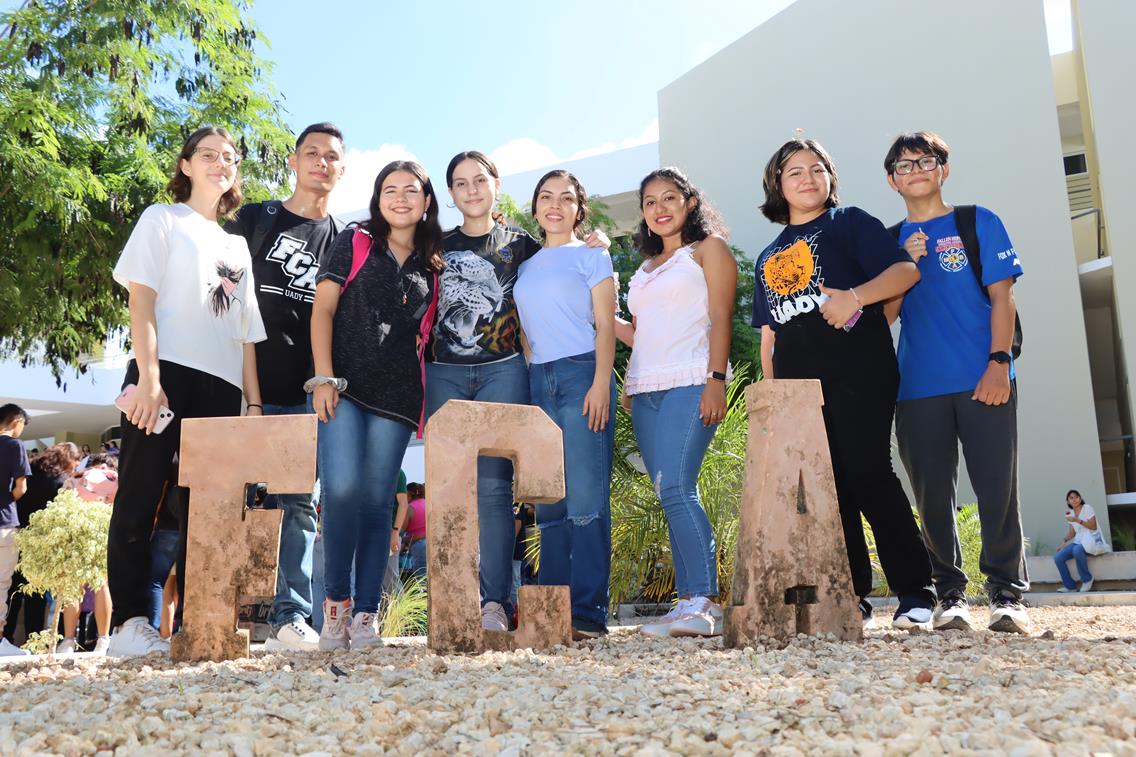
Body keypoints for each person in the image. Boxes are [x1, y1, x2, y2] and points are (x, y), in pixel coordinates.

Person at [752, 138, 936, 631]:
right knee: (827, 489)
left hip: (861, 371)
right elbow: (768, 334)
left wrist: (854, 296)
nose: (807, 178)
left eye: (817, 169)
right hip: (798, 389)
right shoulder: (767, 256)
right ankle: (851, 594)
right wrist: (774, 398)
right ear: (778, 185)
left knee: (867, 470)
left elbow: (905, 271)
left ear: (830, 178)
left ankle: (916, 590)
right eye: (795, 171)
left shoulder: (850, 223)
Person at [426, 151, 609, 632]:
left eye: (479, 180)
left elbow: (571, 267)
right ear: (450, 193)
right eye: (460, 183)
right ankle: (449, 602)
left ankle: (501, 603)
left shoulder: (523, 246)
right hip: (450, 373)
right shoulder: (435, 246)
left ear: (497, 185)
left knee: (500, 490)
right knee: (457, 492)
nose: (471, 190)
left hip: (508, 373)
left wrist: (599, 242)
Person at [107, 126, 266, 657]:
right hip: (164, 374)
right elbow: (141, 302)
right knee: (139, 498)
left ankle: (199, 626)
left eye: (229, 157)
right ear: (186, 165)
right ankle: (129, 625)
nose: (221, 163)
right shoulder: (161, 218)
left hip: (221, 391)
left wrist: (254, 406)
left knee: (206, 512)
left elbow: (246, 335)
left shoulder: (238, 245)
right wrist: (149, 378)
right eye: (209, 155)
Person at [882, 131, 1031, 634]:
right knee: (932, 499)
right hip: (917, 386)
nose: (916, 169)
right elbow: (882, 321)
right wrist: (907, 264)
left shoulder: (977, 221)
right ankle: (950, 596)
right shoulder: (889, 241)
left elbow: (1002, 298)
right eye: (904, 165)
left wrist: (998, 362)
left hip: (983, 377)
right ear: (892, 180)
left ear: (944, 169)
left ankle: (1008, 595)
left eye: (926, 160)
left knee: (997, 490)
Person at [310, 160, 442, 651]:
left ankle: (366, 615)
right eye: (391, 189)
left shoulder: (436, 263)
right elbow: (323, 309)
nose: (401, 198)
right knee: (340, 490)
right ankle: (336, 606)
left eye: (412, 190)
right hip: (342, 387)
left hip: (399, 396)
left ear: (427, 201)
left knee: (376, 502)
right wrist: (322, 377)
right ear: (378, 198)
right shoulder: (355, 241)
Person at [226, 122, 347, 652]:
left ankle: (291, 617)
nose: (321, 162)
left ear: (342, 170)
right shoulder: (257, 219)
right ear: (294, 162)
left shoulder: (347, 240)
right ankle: (214, 612)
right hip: (247, 383)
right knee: (230, 501)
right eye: (312, 153)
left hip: (309, 393)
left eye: (332, 157)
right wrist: (247, 397)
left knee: (299, 503)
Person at [612, 167, 737, 639]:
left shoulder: (709, 250)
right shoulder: (644, 270)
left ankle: (703, 603)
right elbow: (641, 334)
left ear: (689, 202)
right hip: (645, 392)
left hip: (692, 381)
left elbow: (721, 317)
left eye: (669, 198)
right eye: (649, 201)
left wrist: (716, 380)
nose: (659, 208)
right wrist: (603, 312)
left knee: (679, 487)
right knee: (668, 491)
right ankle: (686, 601)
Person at [514, 170, 616, 640]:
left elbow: (606, 324)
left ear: (580, 209)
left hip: (582, 376)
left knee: (587, 500)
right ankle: (552, 611)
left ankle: (589, 613)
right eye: (546, 197)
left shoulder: (593, 256)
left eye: (567, 198)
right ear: (535, 207)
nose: (556, 205)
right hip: (539, 382)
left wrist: (600, 383)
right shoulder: (526, 264)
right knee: (549, 501)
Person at [58, 452, 118, 653]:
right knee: (102, 584)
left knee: (73, 586)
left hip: (76, 533)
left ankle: (68, 640)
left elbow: (61, 506)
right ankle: (103, 639)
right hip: (102, 532)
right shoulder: (115, 479)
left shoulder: (75, 479)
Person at [0, 404, 31, 657]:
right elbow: (21, 489)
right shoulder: (14, 446)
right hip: (4, 523)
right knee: (1, 585)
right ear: (17, 421)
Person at [1054, 489, 1103, 592]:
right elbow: (1072, 533)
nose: (1074, 499)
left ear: (1080, 499)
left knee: (1077, 550)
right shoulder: (1070, 513)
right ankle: (1070, 586)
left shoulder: (1087, 508)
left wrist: (1077, 520)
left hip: (1091, 540)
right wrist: (1063, 541)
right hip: (1078, 541)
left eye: (1076, 497)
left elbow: (1093, 526)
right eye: (1071, 498)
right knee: (1058, 557)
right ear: (1068, 501)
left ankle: (1087, 579)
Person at [405, 483, 427, 580]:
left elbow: (402, 529)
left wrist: (404, 540)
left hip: (419, 546)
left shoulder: (409, 508)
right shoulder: (427, 503)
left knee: (421, 578)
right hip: (430, 543)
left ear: (409, 493)